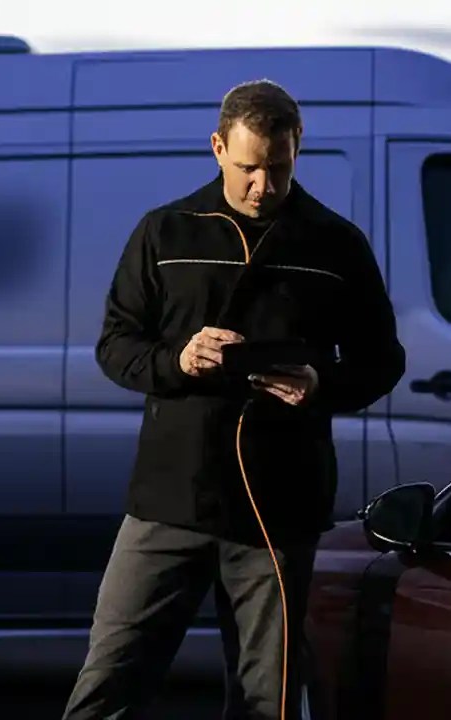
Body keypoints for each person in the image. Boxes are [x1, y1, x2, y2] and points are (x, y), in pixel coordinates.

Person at [62, 78, 406, 720]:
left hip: (279, 507)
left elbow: (383, 362)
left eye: (278, 169)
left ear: (298, 149)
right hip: (169, 497)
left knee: (266, 698)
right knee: (110, 678)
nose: (263, 186)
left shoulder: (336, 245)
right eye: (249, 168)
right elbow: (115, 347)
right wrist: (179, 359)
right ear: (218, 147)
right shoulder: (165, 232)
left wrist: (320, 383)